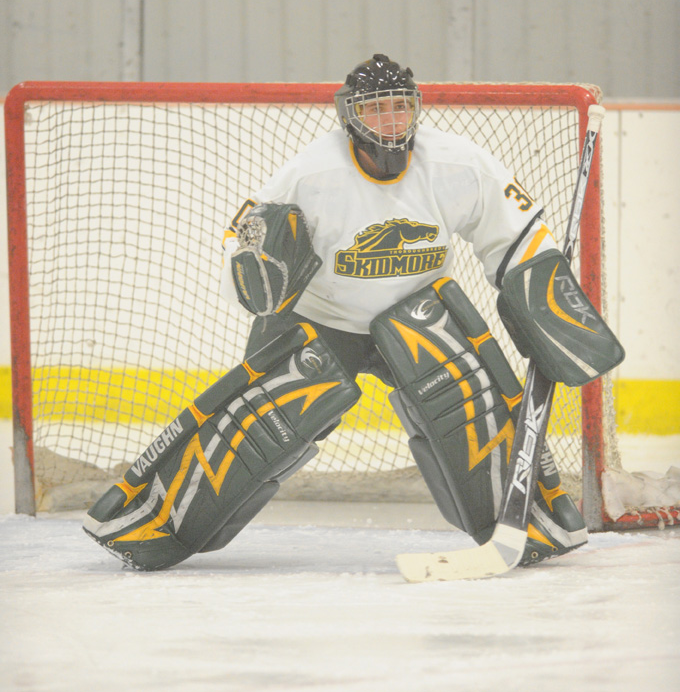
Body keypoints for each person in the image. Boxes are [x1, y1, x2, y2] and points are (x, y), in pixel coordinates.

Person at [84, 53, 622, 572]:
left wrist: (546, 301)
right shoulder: (313, 173)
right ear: (349, 116)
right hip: (319, 324)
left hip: (418, 320)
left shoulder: (458, 164)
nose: (390, 121)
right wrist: (255, 266)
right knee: (254, 429)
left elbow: (516, 236)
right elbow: (243, 235)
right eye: (375, 109)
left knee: (472, 412)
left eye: (400, 107)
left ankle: (529, 520)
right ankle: (154, 519)